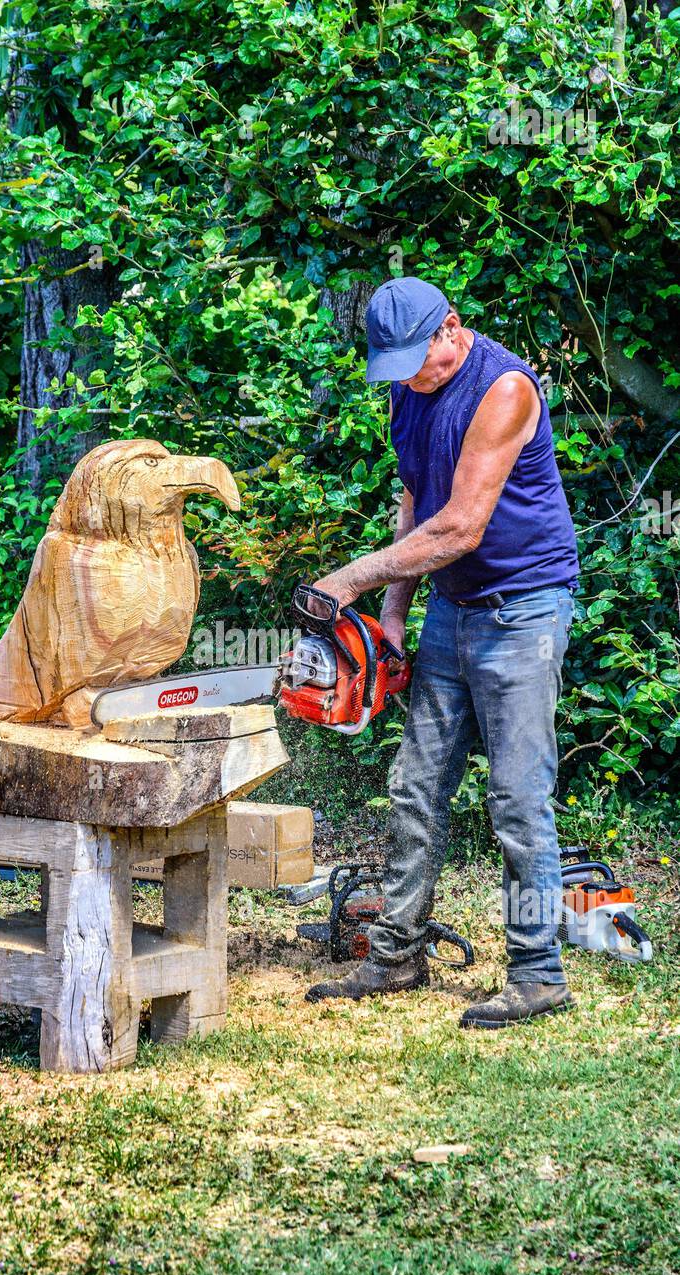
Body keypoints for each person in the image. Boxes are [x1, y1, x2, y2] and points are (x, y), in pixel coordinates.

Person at [305, 277, 579, 1029]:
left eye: (416, 363)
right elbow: (415, 503)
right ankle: (396, 953)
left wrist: (350, 580)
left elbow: (460, 526)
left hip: (523, 610)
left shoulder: (505, 391)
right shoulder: (408, 388)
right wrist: (392, 614)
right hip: (451, 610)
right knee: (415, 784)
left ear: (450, 329)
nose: (409, 380)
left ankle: (537, 974)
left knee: (518, 801)